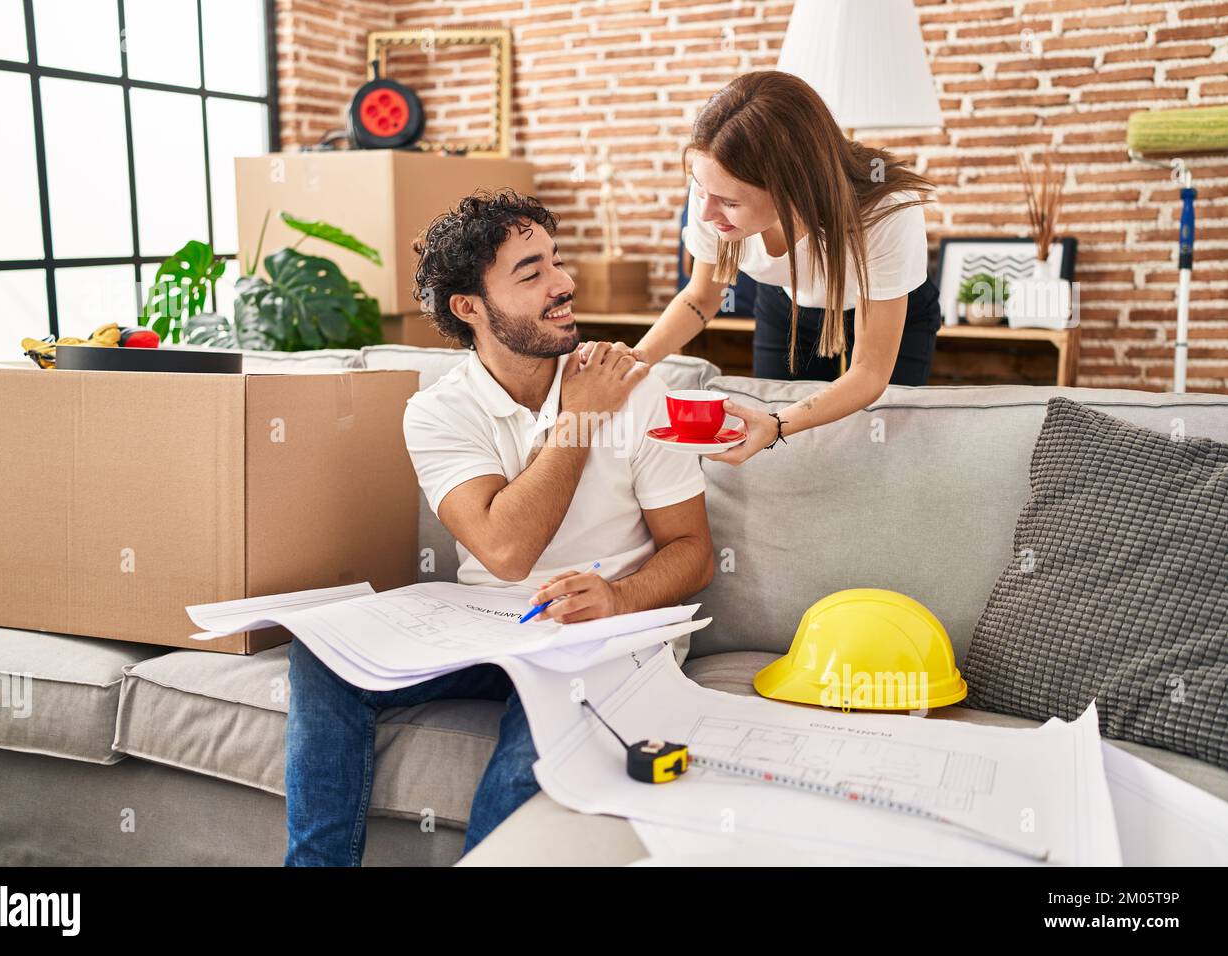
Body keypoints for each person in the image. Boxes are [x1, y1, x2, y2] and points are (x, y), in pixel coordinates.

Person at [283, 189, 714, 865]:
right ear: (469, 308)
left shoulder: (633, 388)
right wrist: (578, 420)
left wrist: (620, 598)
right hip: (489, 627)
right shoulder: (437, 412)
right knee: (322, 654)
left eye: (557, 262)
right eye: (531, 272)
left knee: (526, 768)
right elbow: (508, 553)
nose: (564, 284)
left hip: (601, 636)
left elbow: (693, 552)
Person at [581, 70, 943, 467]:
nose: (704, 212)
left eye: (729, 203)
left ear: (793, 190)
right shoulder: (714, 185)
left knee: (879, 445)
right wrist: (637, 359)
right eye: (701, 190)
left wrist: (778, 423)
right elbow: (701, 298)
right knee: (780, 456)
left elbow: (870, 373)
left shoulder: (885, 213)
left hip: (891, 312)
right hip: (786, 303)